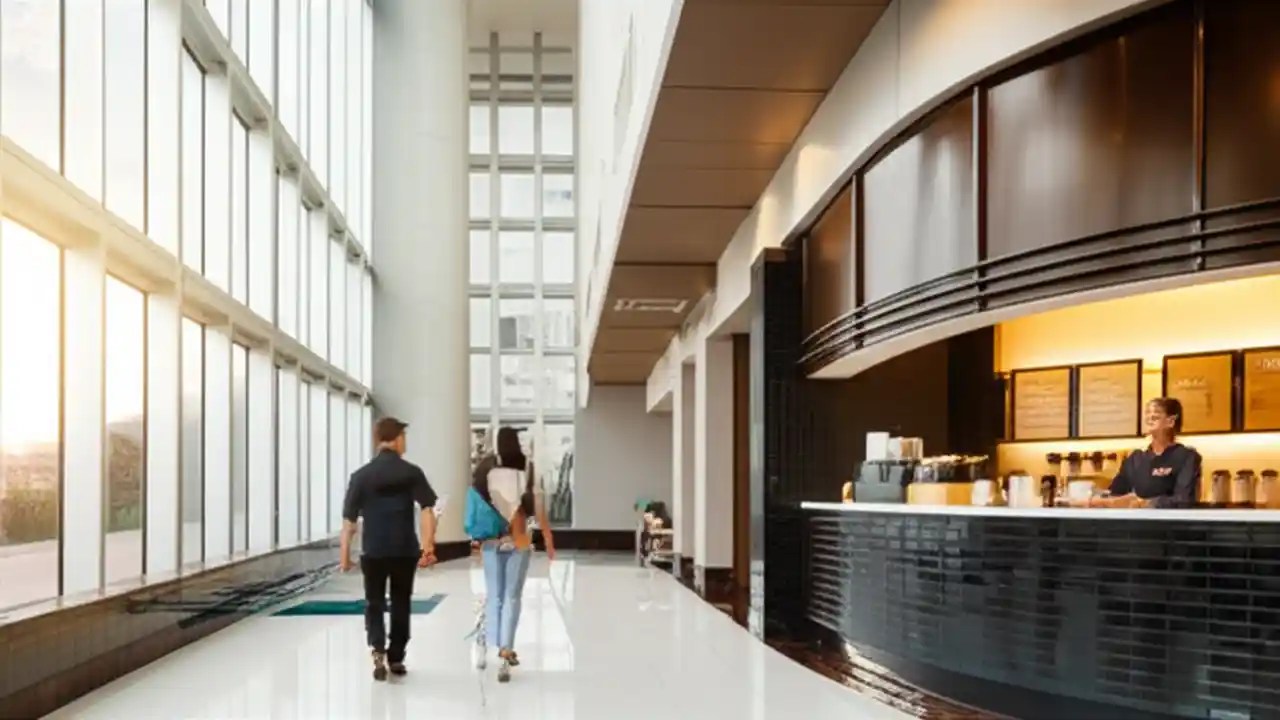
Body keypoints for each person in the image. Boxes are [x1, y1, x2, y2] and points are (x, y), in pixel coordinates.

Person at [340, 417, 438, 681]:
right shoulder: (411, 472)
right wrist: (428, 545)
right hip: (404, 549)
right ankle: (396, 657)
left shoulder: (361, 476)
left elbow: (349, 521)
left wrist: (344, 556)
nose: (405, 442)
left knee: (373, 601)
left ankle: (377, 648)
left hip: (373, 550)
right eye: (404, 437)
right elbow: (428, 508)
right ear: (396, 438)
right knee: (401, 602)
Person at [470, 427, 556, 683]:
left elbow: (475, 504)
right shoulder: (528, 468)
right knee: (512, 597)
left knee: (494, 594)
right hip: (520, 537)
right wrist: (548, 539)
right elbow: (538, 507)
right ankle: (505, 649)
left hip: (491, 540)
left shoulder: (484, 468)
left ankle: (486, 641)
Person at [1079, 397, 1202, 509]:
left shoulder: (1187, 457)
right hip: (1135, 528)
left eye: (1156, 414)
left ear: (1171, 421)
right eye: (1148, 413)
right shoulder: (1135, 459)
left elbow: (1184, 500)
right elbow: (1115, 493)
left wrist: (1144, 503)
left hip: (1169, 528)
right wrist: (1098, 499)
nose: (1150, 417)